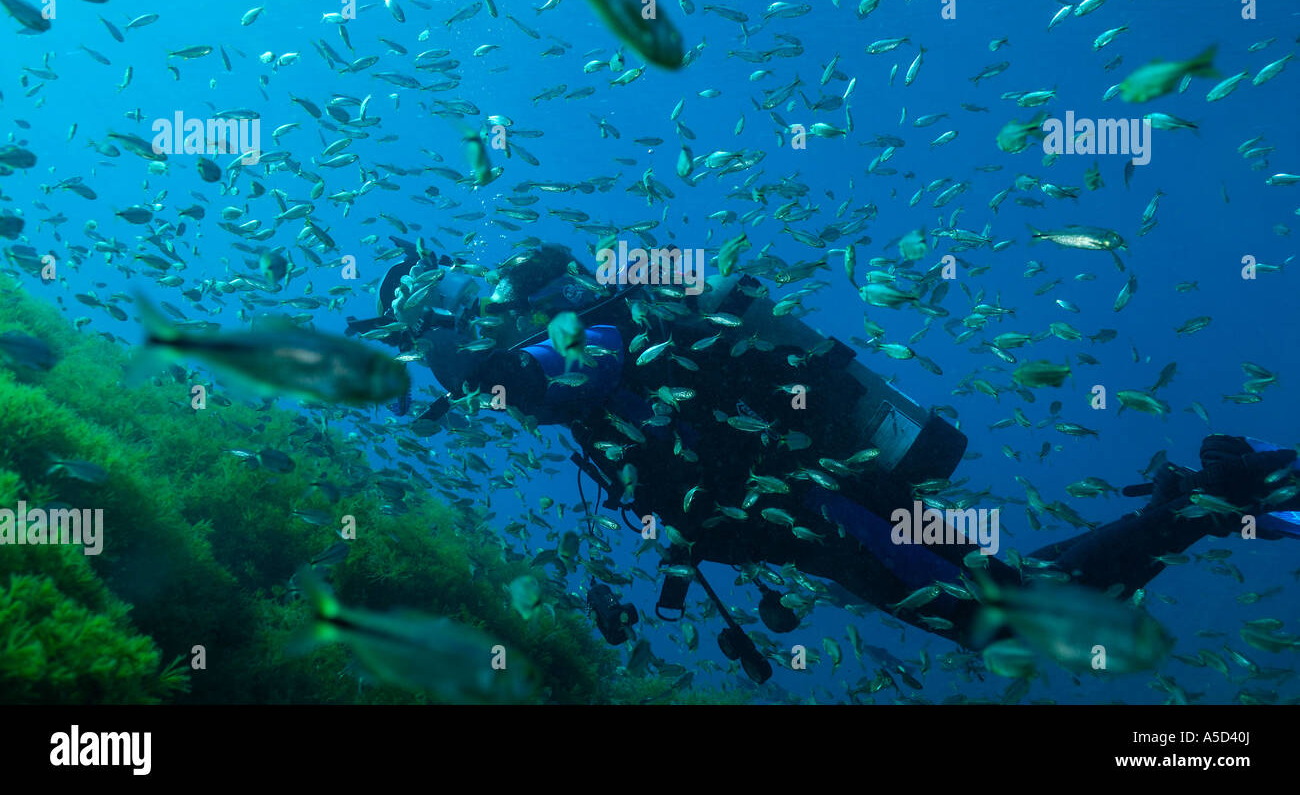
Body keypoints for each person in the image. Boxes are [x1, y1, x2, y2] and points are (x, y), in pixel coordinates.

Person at [347, 239, 1298, 681]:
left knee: (1003, 624)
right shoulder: (603, 316)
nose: (465, 312)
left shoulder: (584, 329)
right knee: (1018, 597)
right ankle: (1213, 501)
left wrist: (437, 352)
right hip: (824, 499)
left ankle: (1208, 498)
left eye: (449, 298)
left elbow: (546, 382)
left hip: (817, 503)